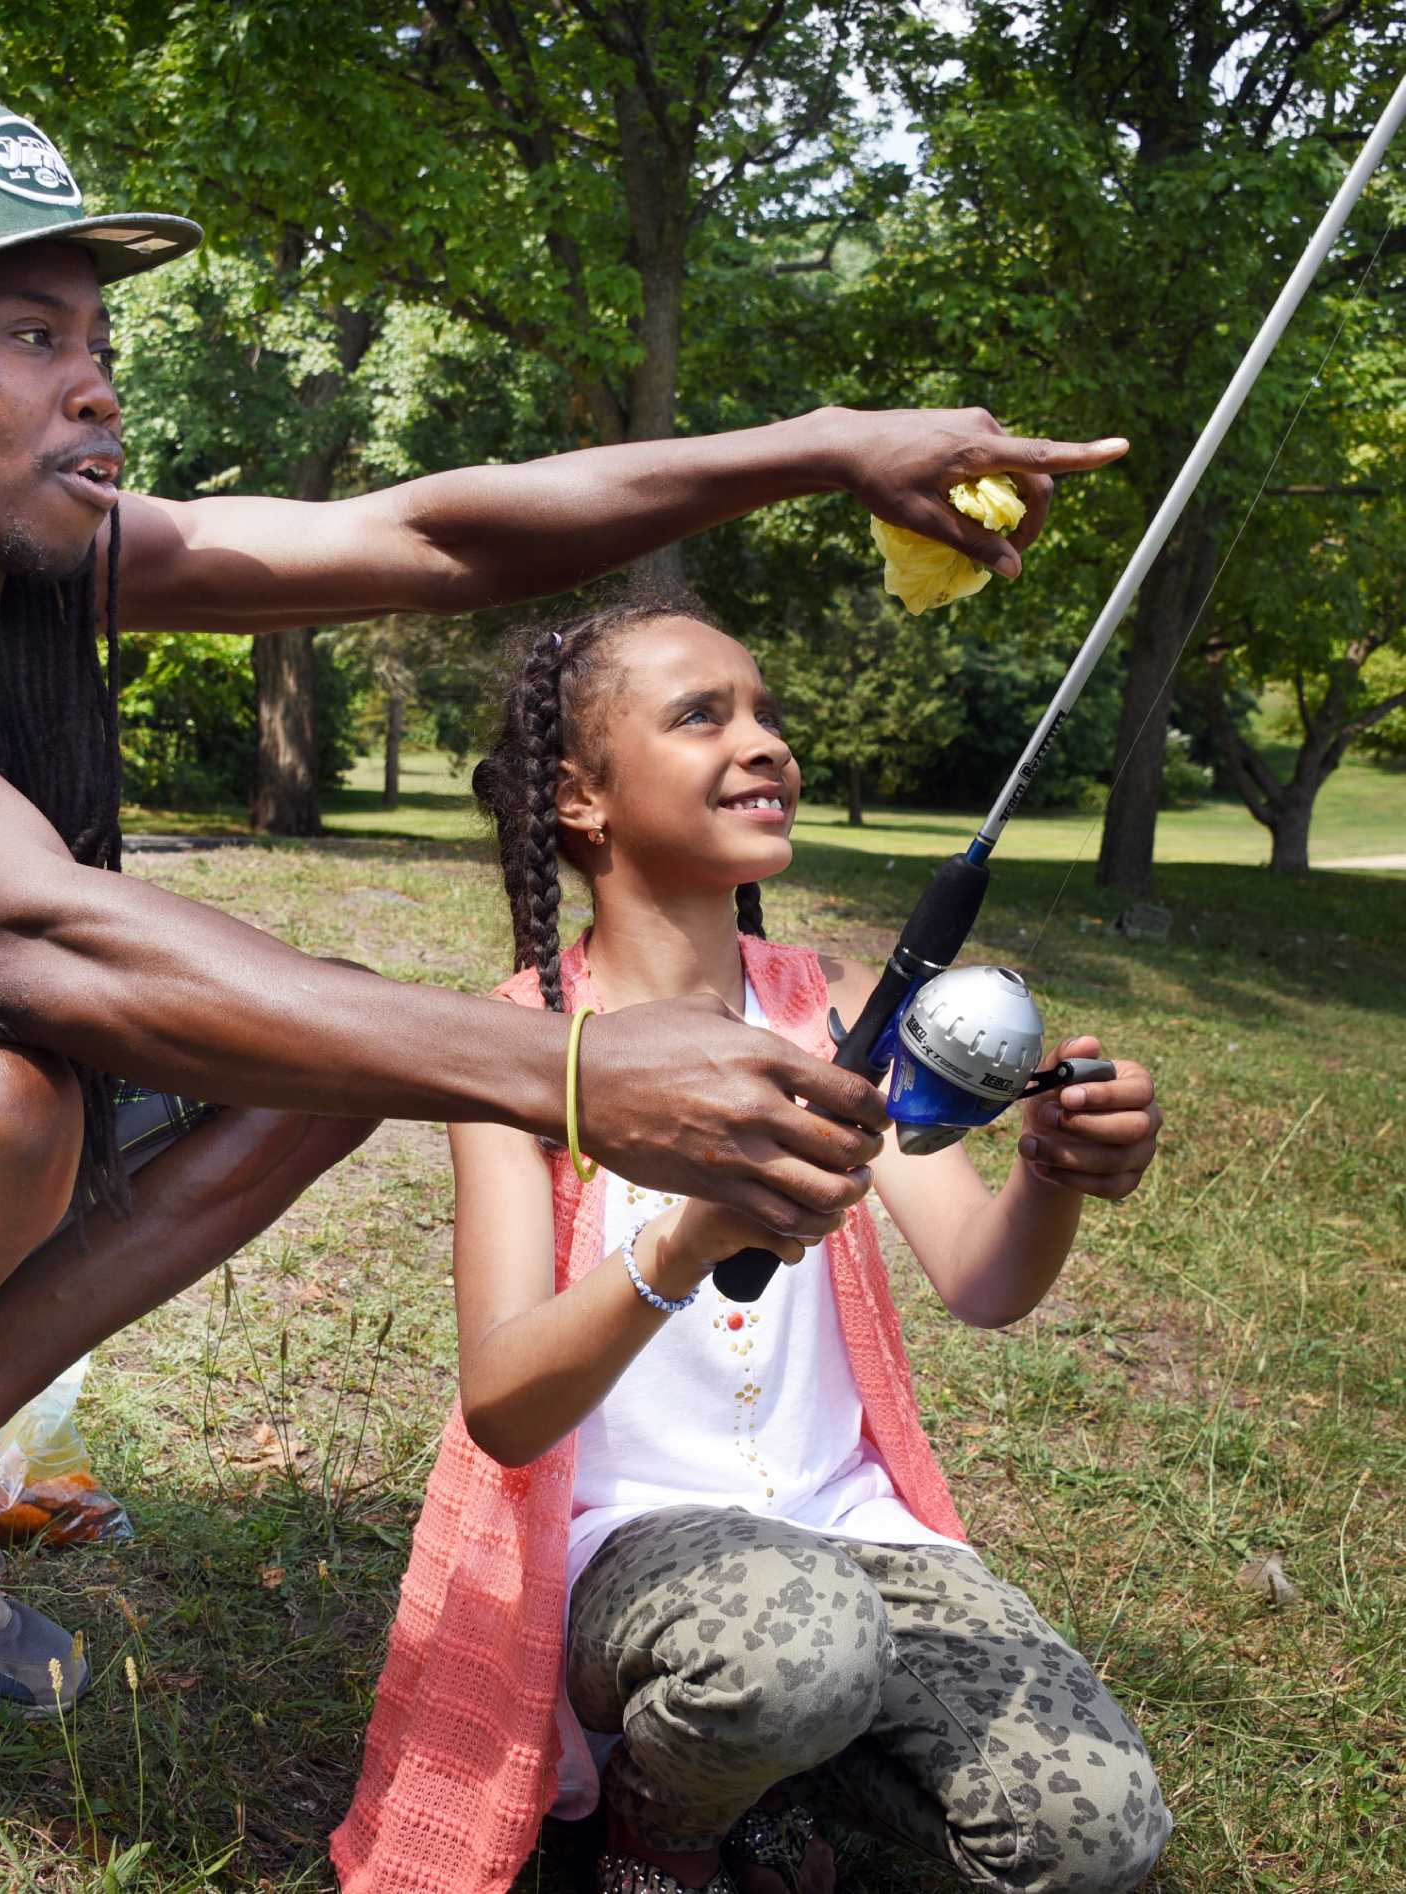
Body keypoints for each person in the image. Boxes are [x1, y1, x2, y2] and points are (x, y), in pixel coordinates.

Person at [0, 95, 1128, 1863]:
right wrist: (572, 1076)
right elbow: (38, 941)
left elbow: (431, 540)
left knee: (318, 1041)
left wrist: (820, 449)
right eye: (33, 333)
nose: (97, 385)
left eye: (99, 339)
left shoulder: (44, 569)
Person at [335, 596, 1172, 1894]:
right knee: (798, 1644)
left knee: (1099, 1830)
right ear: (580, 795)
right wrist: (683, 1243)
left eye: (767, 711)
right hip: (630, 1553)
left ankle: (789, 1761)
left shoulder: (833, 1009)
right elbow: (504, 1408)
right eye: (701, 714)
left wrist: (1058, 1169)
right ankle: (660, 1831)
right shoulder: (515, 1050)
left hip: (854, 1536)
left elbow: (986, 1275)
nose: (763, 740)